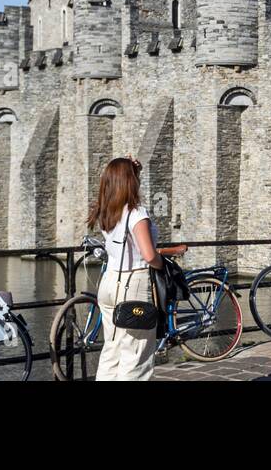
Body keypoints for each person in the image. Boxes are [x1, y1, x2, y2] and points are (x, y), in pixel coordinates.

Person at [87, 156, 186, 381]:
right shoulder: (136, 213)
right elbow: (149, 255)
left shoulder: (107, 210)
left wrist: (134, 170)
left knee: (111, 352)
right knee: (136, 357)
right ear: (130, 182)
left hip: (110, 283)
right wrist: (163, 266)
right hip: (134, 284)